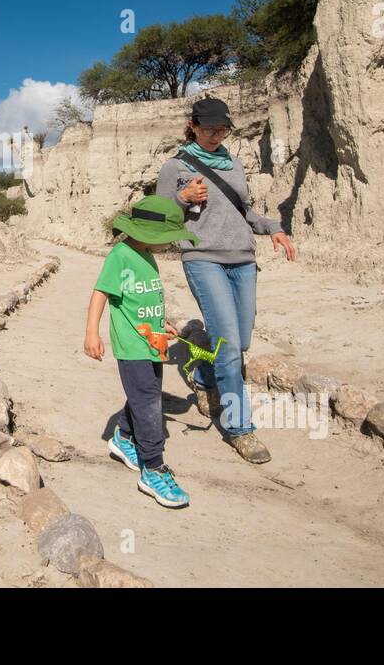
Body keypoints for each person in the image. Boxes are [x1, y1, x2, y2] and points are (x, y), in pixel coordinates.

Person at [156, 97, 297, 464]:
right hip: (203, 258)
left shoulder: (233, 163)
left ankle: (204, 376)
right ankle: (240, 428)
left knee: (241, 338)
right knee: (230, 345)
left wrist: (273, 229)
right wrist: (183, 197)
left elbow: (243, 211)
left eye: (222, 129)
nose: (216, 135)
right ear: (192, 125)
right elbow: (157, 215)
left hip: (243, 258)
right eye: (208, 129)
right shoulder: (176, 166)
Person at [83, 195, 194, 508]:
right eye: (166, 240)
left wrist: (164, 324)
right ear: (147, 233)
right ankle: (153, 467)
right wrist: (92, 332)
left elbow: (145, 301)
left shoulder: (147, 255)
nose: (168, 245)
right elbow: (100, 292)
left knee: (147, 394)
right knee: (148, 400)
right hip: (132, 346)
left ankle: (124, 436)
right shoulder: (121, 255)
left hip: (154, 342)